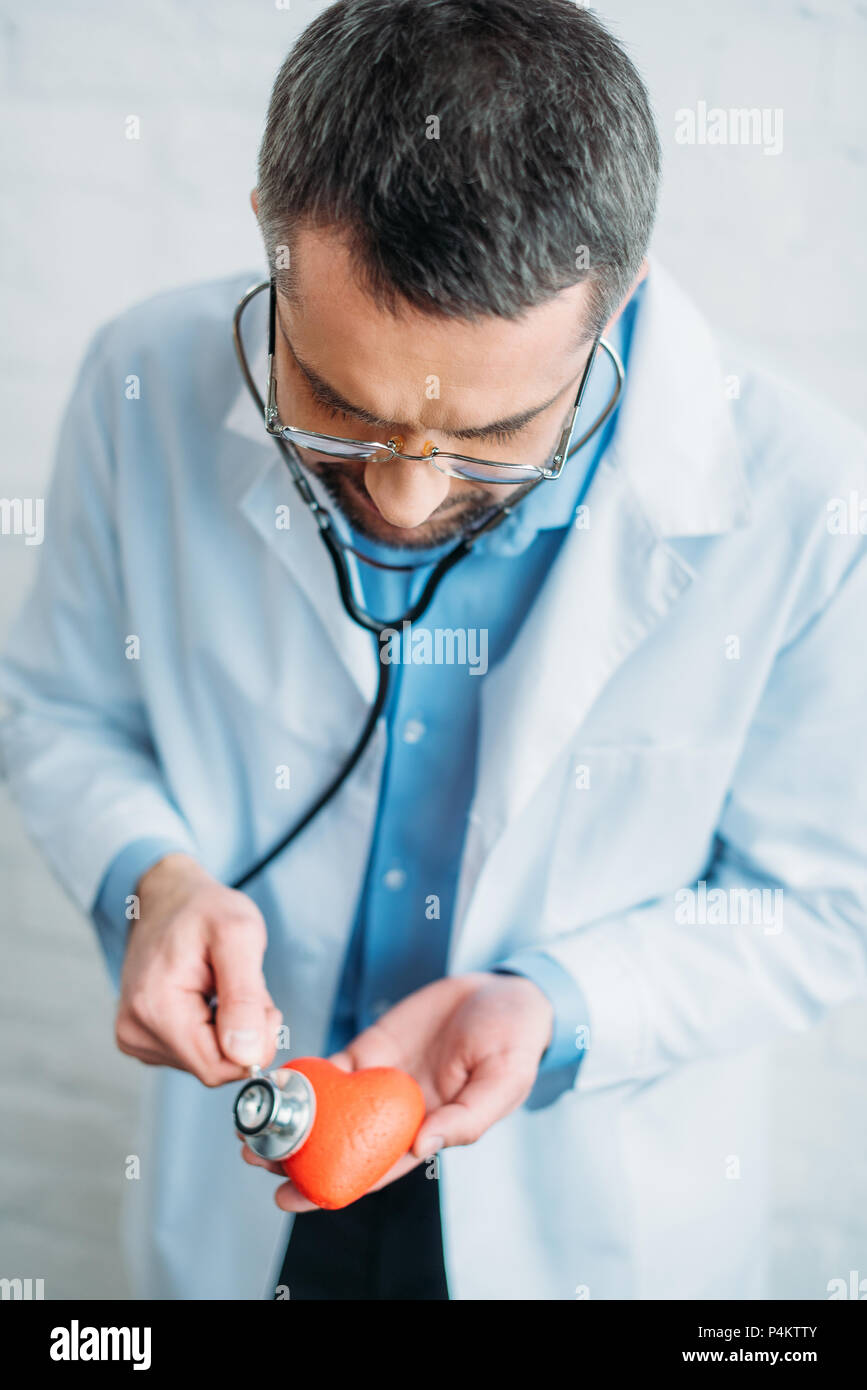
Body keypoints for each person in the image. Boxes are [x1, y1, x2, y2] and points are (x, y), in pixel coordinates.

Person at [1, 0, 865, 1302]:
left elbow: (821, 897)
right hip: (254, 1181)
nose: (403, 500)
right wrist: (151, 879)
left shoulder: (803, 498)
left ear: (615, 300)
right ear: (268, 234)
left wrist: (564, 1006)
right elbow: (59, 710)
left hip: (580, 1210)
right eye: (336, 410)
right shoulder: (142, 385)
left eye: (496, 436)